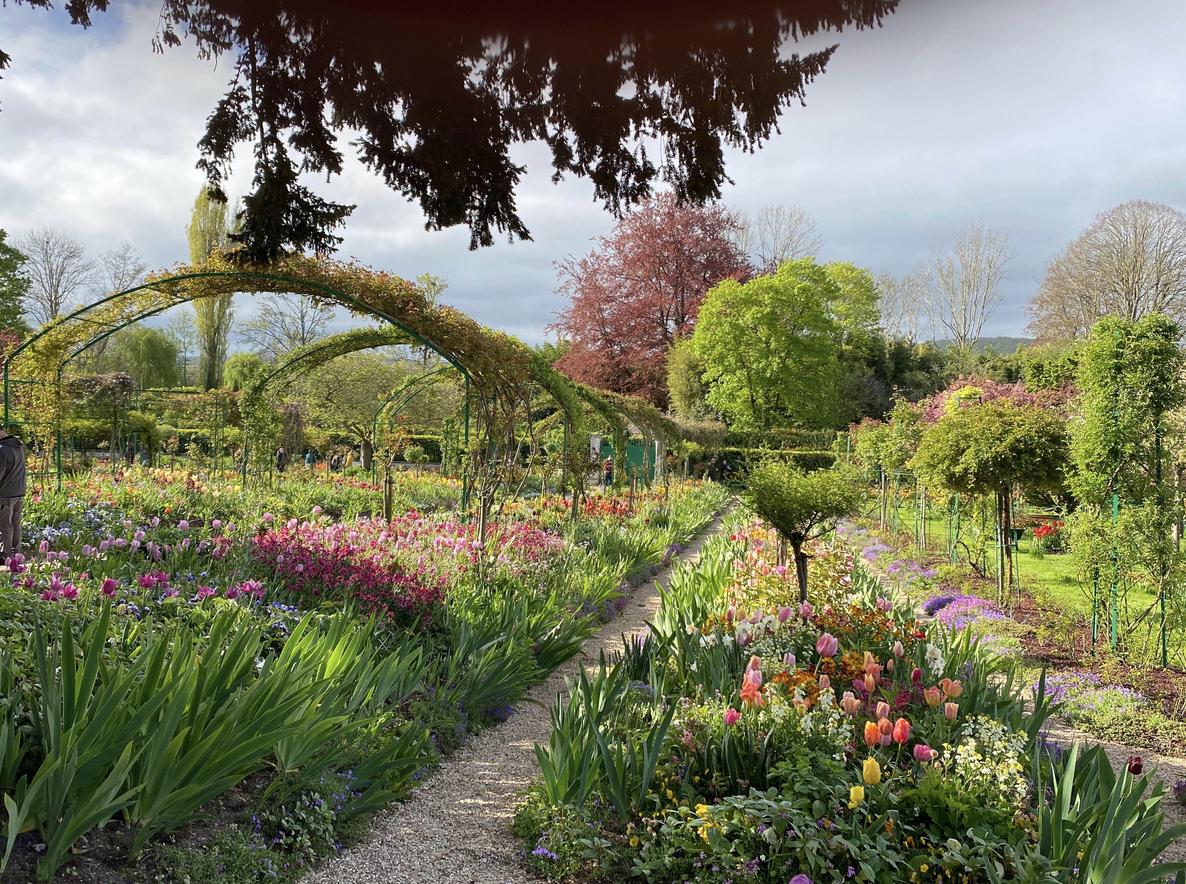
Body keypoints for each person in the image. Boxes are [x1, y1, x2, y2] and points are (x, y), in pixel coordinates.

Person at [0, 426, 27, 563]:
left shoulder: (2, 450)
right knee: (15, 522)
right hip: (19, 491)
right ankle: (16, 552)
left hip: (5, 493)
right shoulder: (17, 446)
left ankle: (6, 555)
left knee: (5, 524)